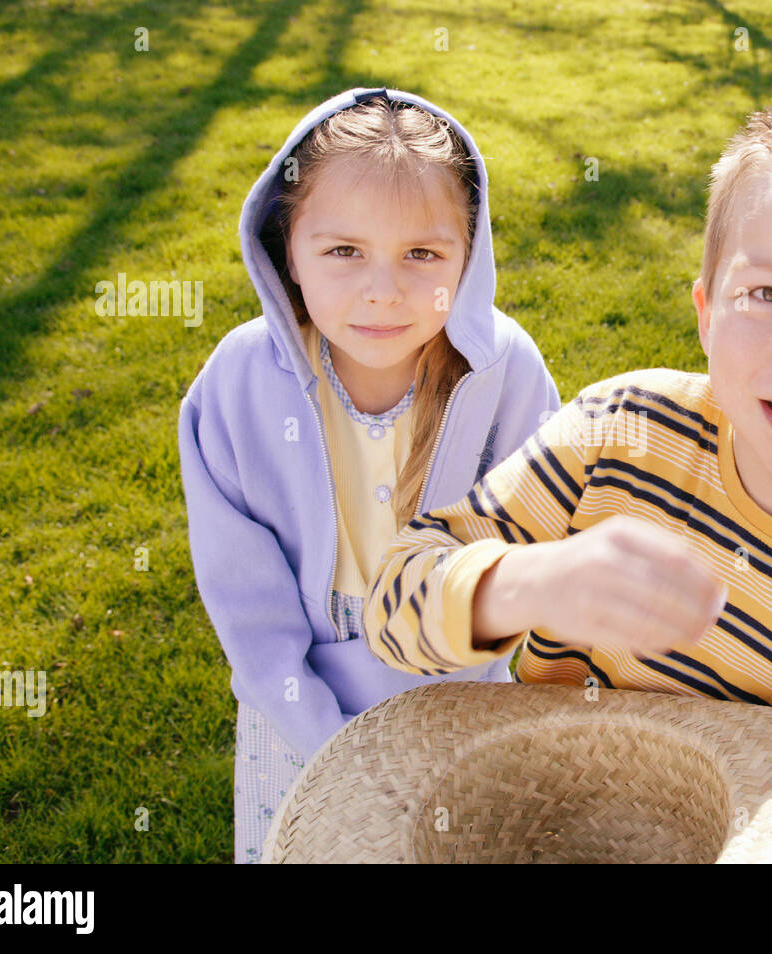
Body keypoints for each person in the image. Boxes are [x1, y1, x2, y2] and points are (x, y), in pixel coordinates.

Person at [366, 86, 772, 863]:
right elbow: (394, 603)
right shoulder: (620, 436)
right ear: (707, 310)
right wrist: (527, 581)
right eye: (770, 294)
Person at [177, 87, 560, 863]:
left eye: (422, 254)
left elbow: (536, 544)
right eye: (344, 251)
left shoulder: (503, 372)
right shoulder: (237, 383)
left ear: (470, 254)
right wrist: (325, 742)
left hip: (460, 702)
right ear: (288, 248)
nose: (384, 289)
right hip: (293, 710)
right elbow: (249, 607)